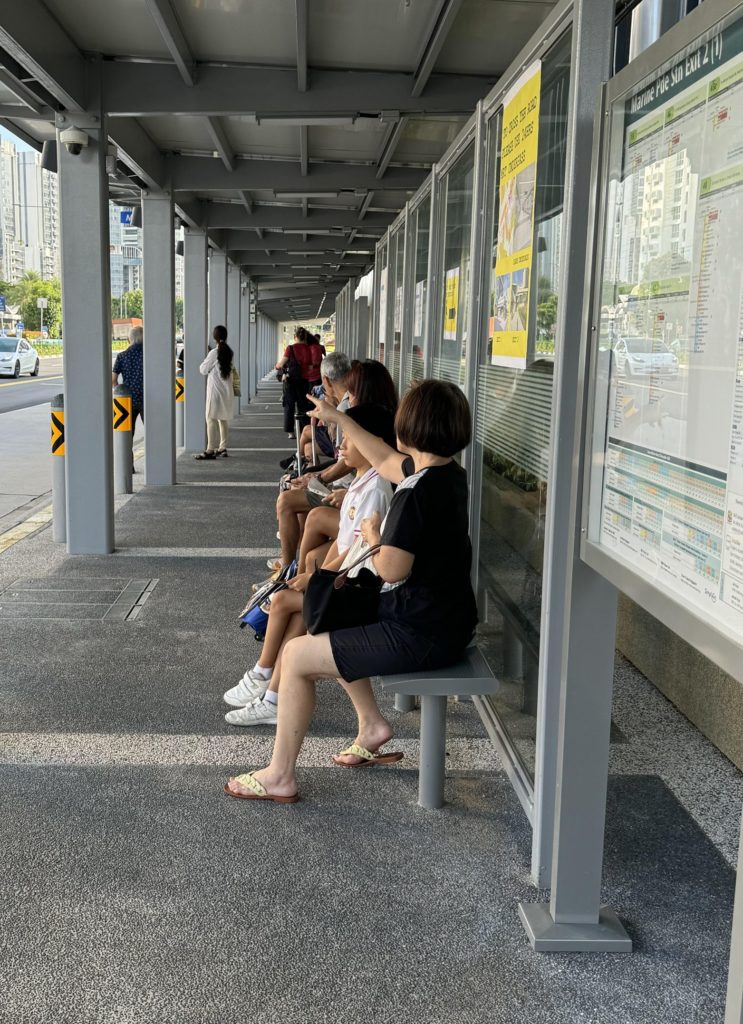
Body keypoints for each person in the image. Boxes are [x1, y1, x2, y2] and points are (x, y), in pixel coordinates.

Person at [225, 380, 478, 802]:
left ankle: (280, 775)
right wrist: (338, 418)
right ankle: (371, 726)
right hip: (444, 619)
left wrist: (375, 534)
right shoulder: (445, 475)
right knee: (337, 617)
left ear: (411, 428)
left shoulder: (415, 495)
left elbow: (392, 568)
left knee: (297, 655)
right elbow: (384, 458)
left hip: (420, 632)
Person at [223, 404, 395, 727]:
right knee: (293, 605)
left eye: (350, 439)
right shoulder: (364, 483)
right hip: (346, 582)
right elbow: (345, 544)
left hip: (357, 590)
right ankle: (269, 689)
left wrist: (317, 580)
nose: (341, 446)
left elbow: (355, 552)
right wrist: (315, 578)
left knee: (285, 602)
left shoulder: (375, 490)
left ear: (374, 442)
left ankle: (265, 679)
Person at [270, 360, 397, 573]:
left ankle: (290, 570)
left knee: (293, 504)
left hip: (354, 500)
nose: (348, 397)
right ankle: (295, 571)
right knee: (311, 551)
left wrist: (319, 479)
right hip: (353, 493)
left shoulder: (361, 420)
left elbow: (348, 462)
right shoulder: (384, 418)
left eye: (351, 391)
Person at [194, 325, 234, 460]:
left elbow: (203, 369)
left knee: (210, 419)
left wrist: (208, 361)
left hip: (215, 391)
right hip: (226, 391)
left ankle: (210, 449)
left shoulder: (214, 353)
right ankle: (223, 448)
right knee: (223, 419)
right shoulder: (229, 352)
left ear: (215, 337)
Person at [276, 326, 314, 438]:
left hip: (290, 381)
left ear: (295, 337)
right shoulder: (308, 349)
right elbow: (311, 367)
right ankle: (304, 431)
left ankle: (290, 432)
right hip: (304, 382)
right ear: (305, 337)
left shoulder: (290, 348)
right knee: (303, 407)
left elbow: (281, 364)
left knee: (289, 406)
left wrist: (277, 366)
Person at [112, 325, 144, 429]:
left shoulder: (122, 356)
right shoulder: (148, 355)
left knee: (126, 432)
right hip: (146, 398)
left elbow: (113, 380)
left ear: (129, 339)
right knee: (152, 431)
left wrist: (121, 393)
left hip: (127, 399)